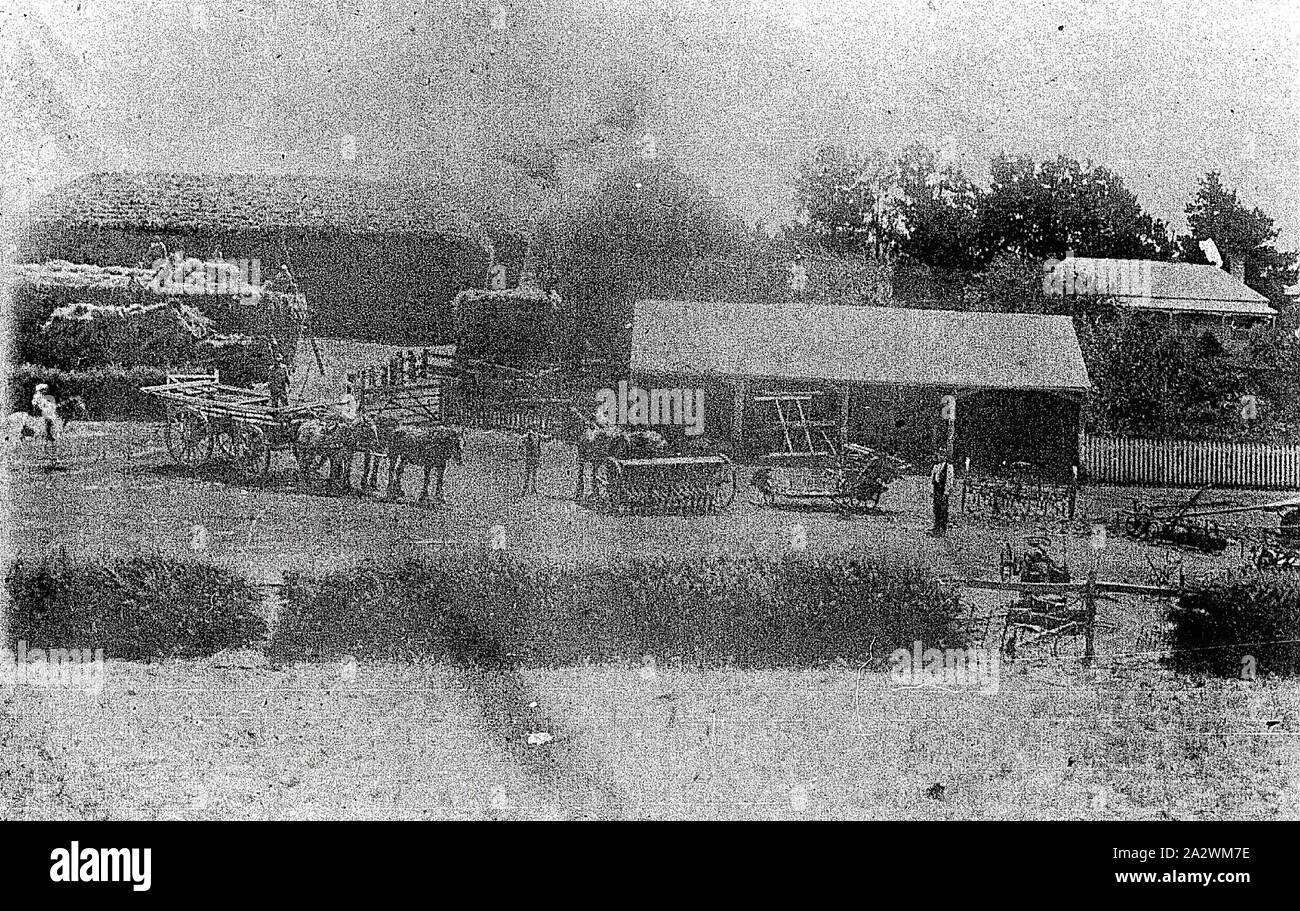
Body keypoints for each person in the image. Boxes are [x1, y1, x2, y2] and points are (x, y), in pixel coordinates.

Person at [930, 449, 953, 536]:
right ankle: (936, 527)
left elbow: (949, 480)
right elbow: (933, 479)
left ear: (946, 457)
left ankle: (942, 529)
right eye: (940, 455)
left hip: (943, 490)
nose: (941, 457)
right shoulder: (936, 466)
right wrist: (932, 490)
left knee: (943, 510)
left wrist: (946, 492)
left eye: (943, 455)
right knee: (936, 509)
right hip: (937, 490)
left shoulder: (949, 467)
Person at [522, 429, 543, 496]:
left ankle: (533, 488)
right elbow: (525, 445)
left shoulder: (537, 438)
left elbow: (539, 448)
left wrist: (538, 457)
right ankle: (525, 489)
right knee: (528, 474)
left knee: (533, 474)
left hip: (535, 457)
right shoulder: (528, 438)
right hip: (530, 458)